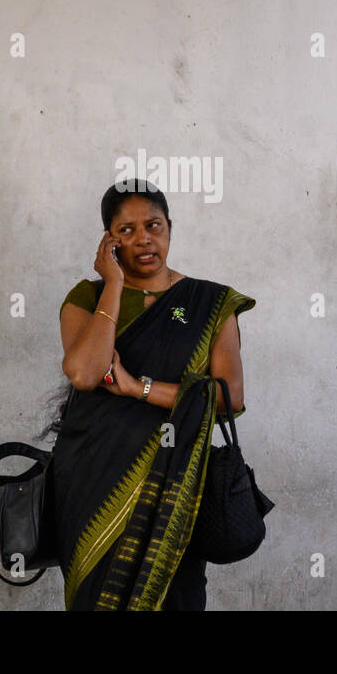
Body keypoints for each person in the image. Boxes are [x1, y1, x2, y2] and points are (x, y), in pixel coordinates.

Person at [51, 180, 254, 610]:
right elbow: (85, 373)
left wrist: (136, 387)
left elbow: (229, 397)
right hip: (93, 482)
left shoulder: (211, 303)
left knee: (175, 596)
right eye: (125, 230)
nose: (143, 238)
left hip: (175, 481)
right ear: (109, 240)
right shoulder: (87, 297)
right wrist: (112, 284)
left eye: (153, 225)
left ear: (169, 229)